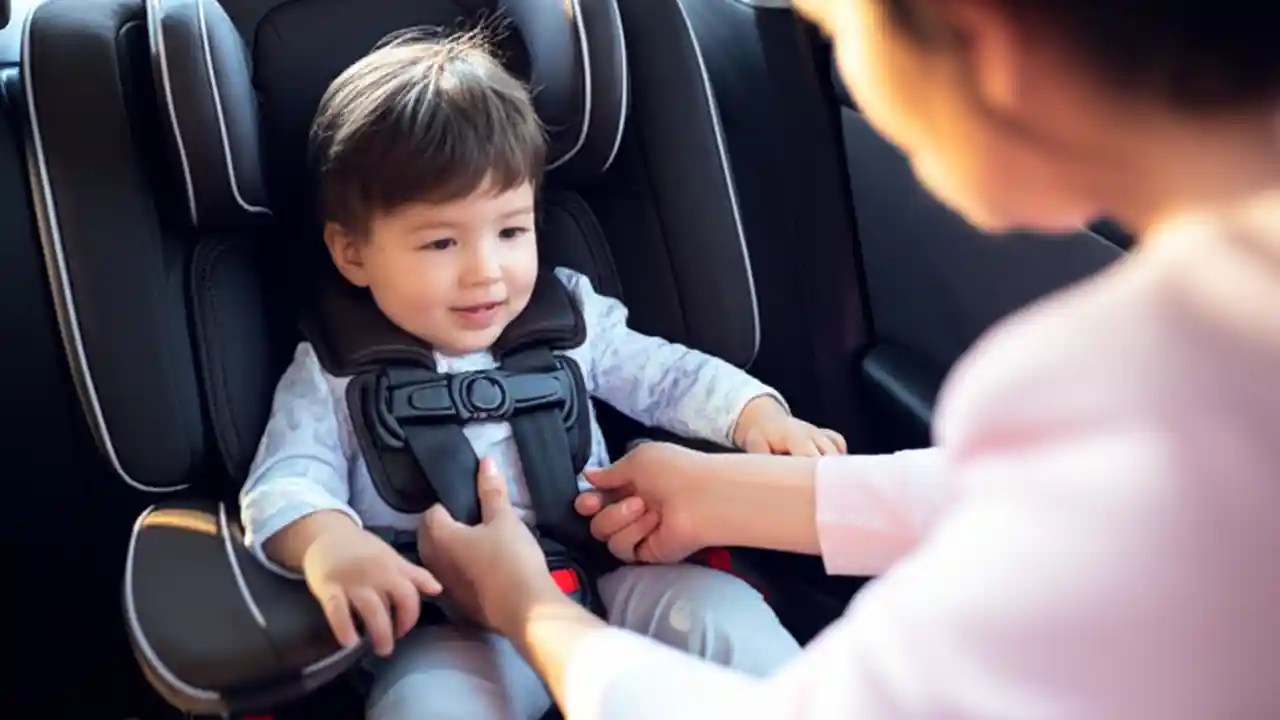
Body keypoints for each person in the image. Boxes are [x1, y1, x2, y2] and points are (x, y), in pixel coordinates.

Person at [415, 0, 1280, 718]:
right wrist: (786, 499)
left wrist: (525, 610)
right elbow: (1079, 504)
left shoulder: (1163, 398)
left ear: (974, 33)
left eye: (837, 20)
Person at [238, 28, 846, 720]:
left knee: (728, 617)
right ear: (352, 254)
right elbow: (284, 481)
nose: (485, 270)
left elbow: (666, 375)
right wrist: (331, 545)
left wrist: (753, 415)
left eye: (511, 230)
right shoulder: (334, 370)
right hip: (448, 621)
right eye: (441, 242)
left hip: (612, 576)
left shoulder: (568, 318)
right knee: (424, 705)